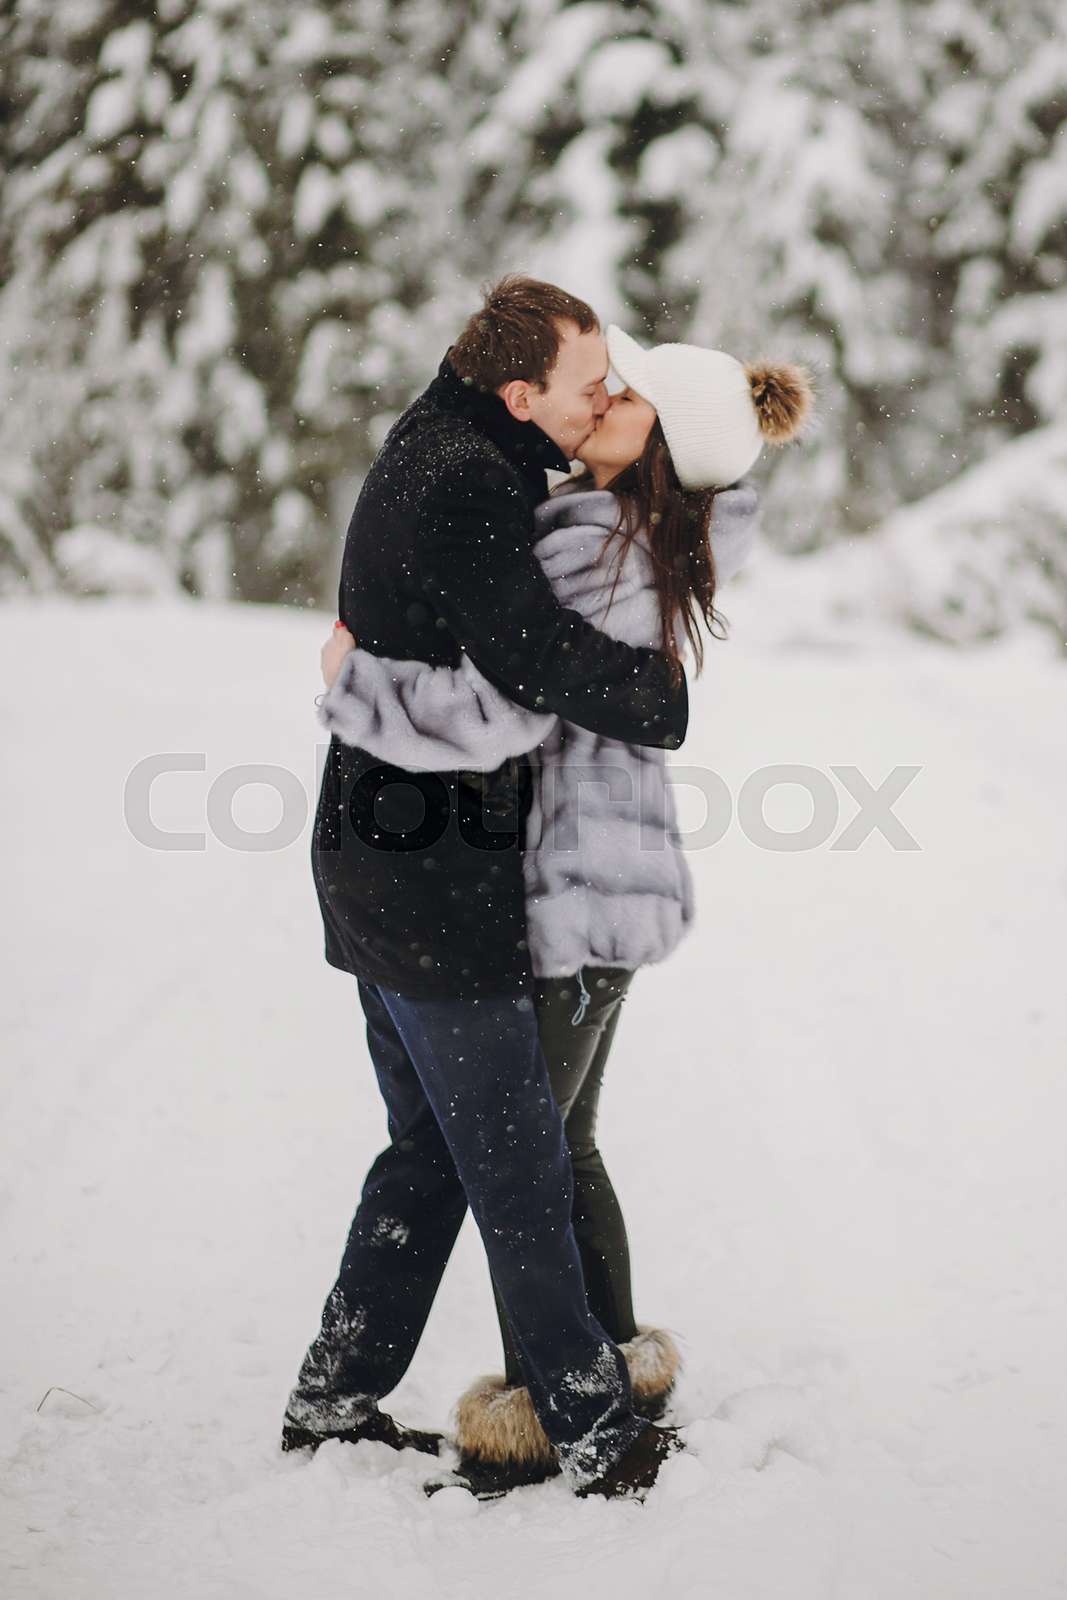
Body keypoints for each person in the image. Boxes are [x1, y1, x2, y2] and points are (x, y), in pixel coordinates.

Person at [318, 321, 814, 1493]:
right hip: (605, 892)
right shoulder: (636, 529)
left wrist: (357, 686)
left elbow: (509, 704)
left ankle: (548, 1419)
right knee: (560, 1147)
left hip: (570, 895)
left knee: (522, 1166)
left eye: (628, 396)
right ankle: (617, 1373)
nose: (606, 397)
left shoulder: (596, 548)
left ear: (659, 446)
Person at [286, 279, 694, 1501]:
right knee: (517, 1171)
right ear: (520, 391)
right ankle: (592, 1434)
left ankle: (334, 1398)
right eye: (589, 385)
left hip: (378, 859)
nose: (602, 400)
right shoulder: (469, 478)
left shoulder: (441, 445)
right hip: (429, 879)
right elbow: (531, 669)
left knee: (428, 1153)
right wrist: (659, 700)